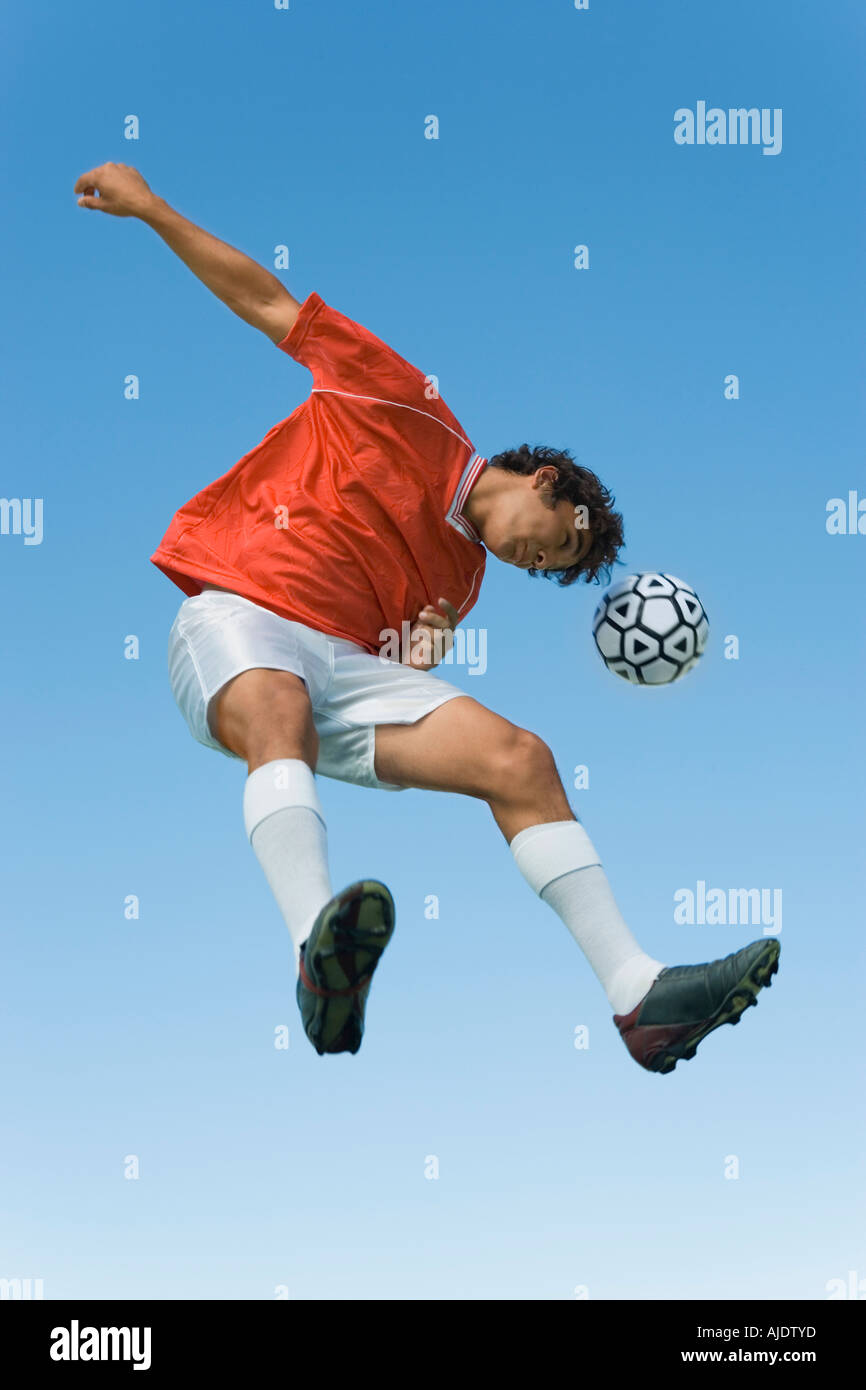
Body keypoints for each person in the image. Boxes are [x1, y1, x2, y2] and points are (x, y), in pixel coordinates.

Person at [74, 161, 780, 1072]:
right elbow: (268, 304)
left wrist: (413, 652)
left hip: (336, 670)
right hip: (240, 620)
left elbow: (377, 670)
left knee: (520, 760)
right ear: (545, 481)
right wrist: (152, 209)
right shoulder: (405, 403)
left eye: (553, 569)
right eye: (555, 543)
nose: (538, 562)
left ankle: (640, 997)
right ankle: (316, 956)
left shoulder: (461, 578)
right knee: (283, 704)